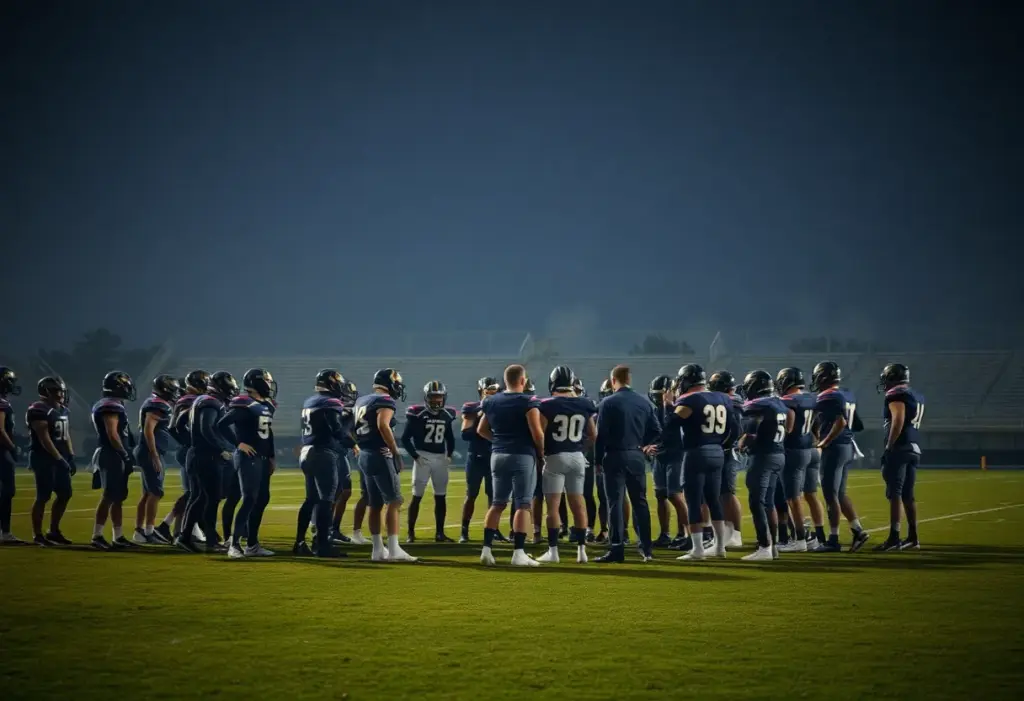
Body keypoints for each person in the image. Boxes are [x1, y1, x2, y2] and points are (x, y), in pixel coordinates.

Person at [476, 364, 544, 567]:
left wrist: (497, 441)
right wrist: (541, 453)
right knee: (523, 504)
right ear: (522, 380)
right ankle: (519, 553)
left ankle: (486, 550)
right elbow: (537, 432)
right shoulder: (528, 401)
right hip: (522, 454)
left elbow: (481, 429)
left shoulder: (491, 401)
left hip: (497, 454)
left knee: (497, 503)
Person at [594, 365, 658, 563]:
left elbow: (601, 435)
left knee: (615, 503)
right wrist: (645, 445)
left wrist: (597, 460)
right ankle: (646, 549)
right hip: (636, 455)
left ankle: (616, 548)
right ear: (629, 380)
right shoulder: (644, 402)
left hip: (614, 456)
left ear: (613, 380)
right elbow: (656, 430)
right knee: (640, 502)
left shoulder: (608, 402)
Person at [670, 364, 732, 561]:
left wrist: (668, 406)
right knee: (714, 499)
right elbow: (735, 428)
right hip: (718, 452)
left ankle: (697, 549)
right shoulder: (723, 397)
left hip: (696, 452)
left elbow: (671, 424)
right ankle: (720, 546)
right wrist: (721, 444)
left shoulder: (690, 399)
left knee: (694, 501)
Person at [353, 368, 416, 562]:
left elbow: (351, 427)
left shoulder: (361, 400)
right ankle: (395, 549)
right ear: (389, 383)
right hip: (379, 454)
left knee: (375, 503)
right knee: (394, 501)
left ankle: (378, 549)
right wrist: (395, 451)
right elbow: (383, 425)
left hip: (364, 454)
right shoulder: (385, 400)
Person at [536, 365, 596, 564]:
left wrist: (541, 453)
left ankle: (553, 551)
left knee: (552, 507)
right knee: (578, 504)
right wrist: (581, 447)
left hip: (555, 456)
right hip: (577, 457)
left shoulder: (546, 405)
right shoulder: (585, 403)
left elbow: (541, 433)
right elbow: (593, 435)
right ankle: (582, 552)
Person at [811, 361, 869, 553]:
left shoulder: (828, 397)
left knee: (830, 495)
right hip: (848, 446)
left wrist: (824, 441)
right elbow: (857, 423)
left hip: (835, 448)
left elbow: (841, 421)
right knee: (840, 493)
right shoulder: (846, 394)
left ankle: (833, 539)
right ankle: (858, 530)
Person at [219, 368, 278, 558]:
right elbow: (221, 424)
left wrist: (271, 456)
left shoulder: (266, 404)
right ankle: (234, 545)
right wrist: (239, 443)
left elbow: (268, 434)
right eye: (267, 382)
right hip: (247, 457)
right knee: (249, 499)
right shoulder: (244, 404)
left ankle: (252, 544)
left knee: (261, 499)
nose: (269, 385)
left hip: (261, 457)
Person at [178, 371, 238, 553]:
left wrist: (190, 442)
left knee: (200, 497)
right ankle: (204, 539)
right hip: (207, 456)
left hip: (198, 453)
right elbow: (206, 428)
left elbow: (179, 424)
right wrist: (222, 448)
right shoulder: (211, 402)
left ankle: (187, 537)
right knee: (209, 499)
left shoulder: (202, 400)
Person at [295, 369, 351, 557]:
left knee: (311, 499)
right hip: (323, 453)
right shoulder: (330, 402)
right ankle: (323, 545)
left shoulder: (310, 401)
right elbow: (335, 428)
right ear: (331, 384)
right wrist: (352, 441)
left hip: (306, 451)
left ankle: (299, 542)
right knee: (326, 501)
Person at [737, 370, 789, 561]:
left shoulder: (758, 405)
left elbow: (752, 432)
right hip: (778, 454)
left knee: (756, 502)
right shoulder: (778, 403)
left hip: (763, 456)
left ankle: (764, 546)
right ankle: (772, 546)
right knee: (768, 502)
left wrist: (743, 441)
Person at [874, 363, 924, 551]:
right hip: (914, 447)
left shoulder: (896, 395)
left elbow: (898, 419)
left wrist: (889, 446)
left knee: (894, 494)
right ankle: (913, 537)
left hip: (900, 448)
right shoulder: (915, 395)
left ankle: (894, 537)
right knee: (908, 495)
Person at [158, 370, 209, 544]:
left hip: (186, 448)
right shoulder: (189, 401)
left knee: (192, 492)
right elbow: (176, 427)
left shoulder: (186, 400)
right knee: (194, 492)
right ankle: (168, 524)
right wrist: (192, 442)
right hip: (189, 449)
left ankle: (178, 529)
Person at [402, 381, 457, 543]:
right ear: (426, 397)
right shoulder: (417, 414)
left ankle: (440, 533)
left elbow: (450, 438)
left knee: (441, 496)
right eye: (433, 396)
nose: (436, 400)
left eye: (439, 396)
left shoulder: (447, 414)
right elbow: (405, 438)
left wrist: (449, 455)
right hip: (422, 457)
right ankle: (410, 533)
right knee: (417, 496)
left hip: (440, 458)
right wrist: (415, 456)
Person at [90, 371, 138, 550]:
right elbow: (112, 433)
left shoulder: (113, 404)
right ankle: (97, 535)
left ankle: (118, 536)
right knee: (109, 495)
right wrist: (124, 454)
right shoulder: (110, 406)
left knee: (118, 496)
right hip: (111, 454)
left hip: (114, 453)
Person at [26, 376, 76, 546]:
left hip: (60, 457)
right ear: (47, 392)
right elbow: (44, 438)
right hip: (44, 458)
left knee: (65, 494)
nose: (61, 394)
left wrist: (71, 455)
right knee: (43, 495)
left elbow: (66, 434)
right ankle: (37, 534)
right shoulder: (38, 409)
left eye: (61, 390)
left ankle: (54, 531)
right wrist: (59, 458)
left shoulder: (62, 410)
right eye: (57, 391)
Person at [775, 367, 821, 552]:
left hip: (793, 450)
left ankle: (800, 539)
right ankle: (813, 537)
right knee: (807, 495)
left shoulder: (788, 401)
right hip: (810, 448)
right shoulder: (811, 398)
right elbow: (816, 421)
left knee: (793, 498)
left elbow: (789, 423)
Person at [132, 375, 181, 544]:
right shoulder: (158, 405)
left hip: (148, 450)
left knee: (147, 493)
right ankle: (149, 531)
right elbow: (148, 429)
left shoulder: (154, 402)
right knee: (156, 492)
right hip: (150, 451)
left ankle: (139, 531)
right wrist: (154, 455)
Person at [459, 376, 506, 543]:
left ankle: (494, 530)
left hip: (494, 456)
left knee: (494, 497)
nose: (492, 395)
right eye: (489, 392)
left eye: (495, 392)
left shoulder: (501, 408)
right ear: (481, 392)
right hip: (477, 456)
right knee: (471, 494)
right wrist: (482, 414)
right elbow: (465, 434)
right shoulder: (472, 408)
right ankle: (464, 531)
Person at [647, 374, 688, 549]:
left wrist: (668, 406)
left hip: (677, 455)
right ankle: (664, 534)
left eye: (660, 394)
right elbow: (651, 434)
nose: (658, 398)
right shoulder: (655, 411)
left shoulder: (680, 409)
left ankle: (684, 533)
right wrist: (646, 447)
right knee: (660, 495)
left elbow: (674, 430)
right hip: (660, 457)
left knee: (675, 495)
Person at [0, 367, 23, 544]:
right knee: (7, 492)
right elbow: (0, 429)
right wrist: (12, 447)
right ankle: (5, 532)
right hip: (2, 452)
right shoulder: (2, 403)